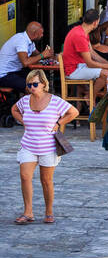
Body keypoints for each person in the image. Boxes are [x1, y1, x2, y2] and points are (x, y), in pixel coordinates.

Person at [11, 69, 77, 223]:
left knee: (46, 180)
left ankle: (49, 211)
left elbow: (73, 112)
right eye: (29, 84)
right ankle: (28, 212)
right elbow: (14, 109)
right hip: (28, 144)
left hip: (48, 147)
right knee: (25, 176)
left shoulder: (55, 101)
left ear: (43, 84)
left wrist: (59, 123)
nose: (32, 87)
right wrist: (22, 120)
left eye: (35, 84)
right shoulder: (25, 100)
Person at [62, 8, 108, 99]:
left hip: (78, 66)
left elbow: (92, 53)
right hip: (73, 70)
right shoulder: (80, 35)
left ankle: (89, 95)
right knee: (106, 74)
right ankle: (90, 97)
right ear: (95, 22)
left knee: (107, 71)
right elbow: (90, 63)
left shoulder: (80, 30)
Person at [0, 20, 54, 97]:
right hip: (4, 75)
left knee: (41, 79)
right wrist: (42, 55)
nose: (42, 35)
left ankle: (38, 101)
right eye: (41, 33)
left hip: (16, 71)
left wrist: (48, 55)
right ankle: (32, 103)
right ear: (35, 34)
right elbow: (25, 62)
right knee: (32, 86)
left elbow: (37, 55)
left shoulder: (30, 42)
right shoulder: (21, 40)